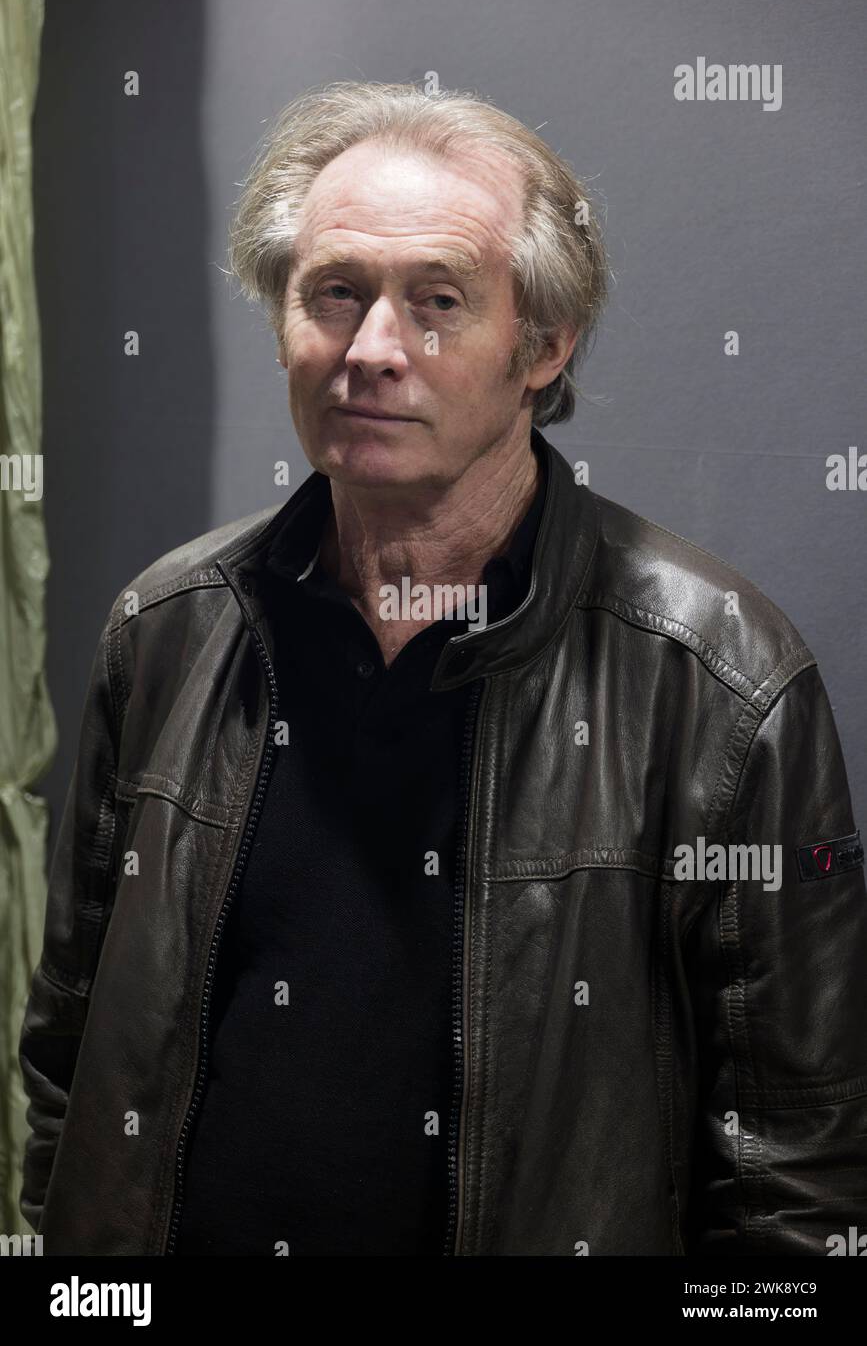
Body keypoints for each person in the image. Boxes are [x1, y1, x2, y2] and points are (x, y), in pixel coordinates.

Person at [19, 81, 867, 1256]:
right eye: (334, 295)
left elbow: (799, 1179)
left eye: (437, 303)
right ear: (283, 323)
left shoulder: (717, 682)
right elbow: (69, 1060)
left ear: (543, 344)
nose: (371, 351)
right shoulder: (164, 631)